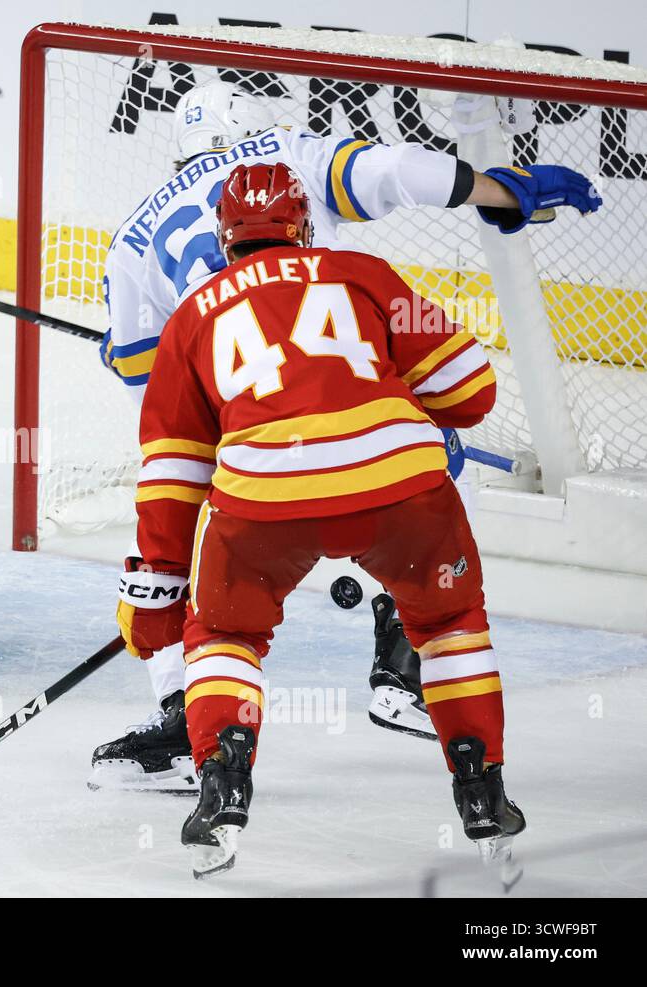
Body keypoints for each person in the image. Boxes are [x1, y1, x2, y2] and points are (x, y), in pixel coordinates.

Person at [91, 79, 602, 791]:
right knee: (433, 469)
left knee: (179, 570)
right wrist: (500, 190)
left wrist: (116, 353)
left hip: (241, 443)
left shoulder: (132, 237)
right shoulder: (288, 156)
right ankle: (406, 666)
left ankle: (188, 720)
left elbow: (148, 381)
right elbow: (399, 170)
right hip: (356, 402)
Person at [117, 161, 525, 877]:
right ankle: (480, 785)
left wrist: (156, 585)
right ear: (303, 228)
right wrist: (404, 392)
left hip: (264, 501)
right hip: (400, 487)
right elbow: (473, 388)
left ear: (224, 239)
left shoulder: (193, 315)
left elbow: (174, 472)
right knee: (448, 622)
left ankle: (224, 779)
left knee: (224, 631)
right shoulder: (359, 271)